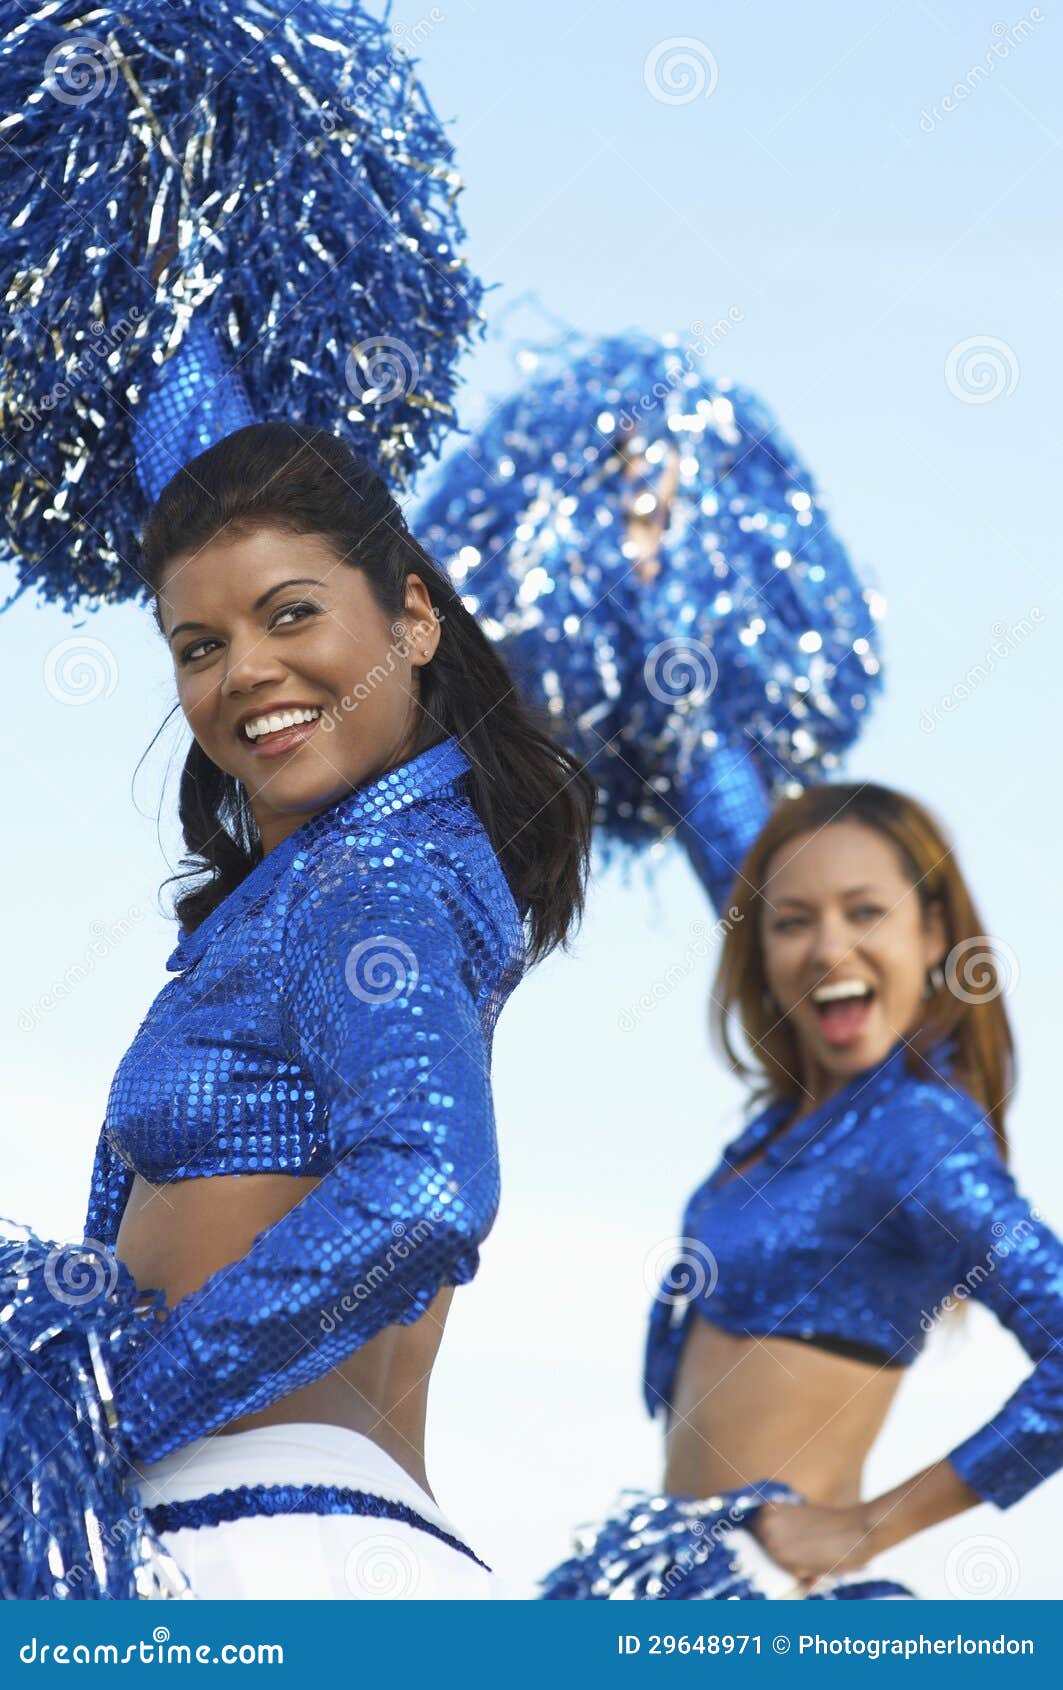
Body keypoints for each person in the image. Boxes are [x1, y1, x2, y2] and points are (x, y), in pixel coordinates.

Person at [4, 420, 596, 1600]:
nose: (246, 673)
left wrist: (111, 1428)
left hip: (267, 1539)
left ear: (412, 620)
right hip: (250, 1533)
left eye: (290, 614)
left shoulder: (371, 880)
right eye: (198, 644)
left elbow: (428, 1186)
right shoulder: (320, 877)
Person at [540, 783, 1063, 1599]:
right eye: (792, 922)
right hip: (653, 1578)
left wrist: (869, 1524)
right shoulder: (787, 1123)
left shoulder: (916, 1131)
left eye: (864, 913)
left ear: (933, 934)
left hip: (763, 1598)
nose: (827, 948)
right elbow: (723, 815)